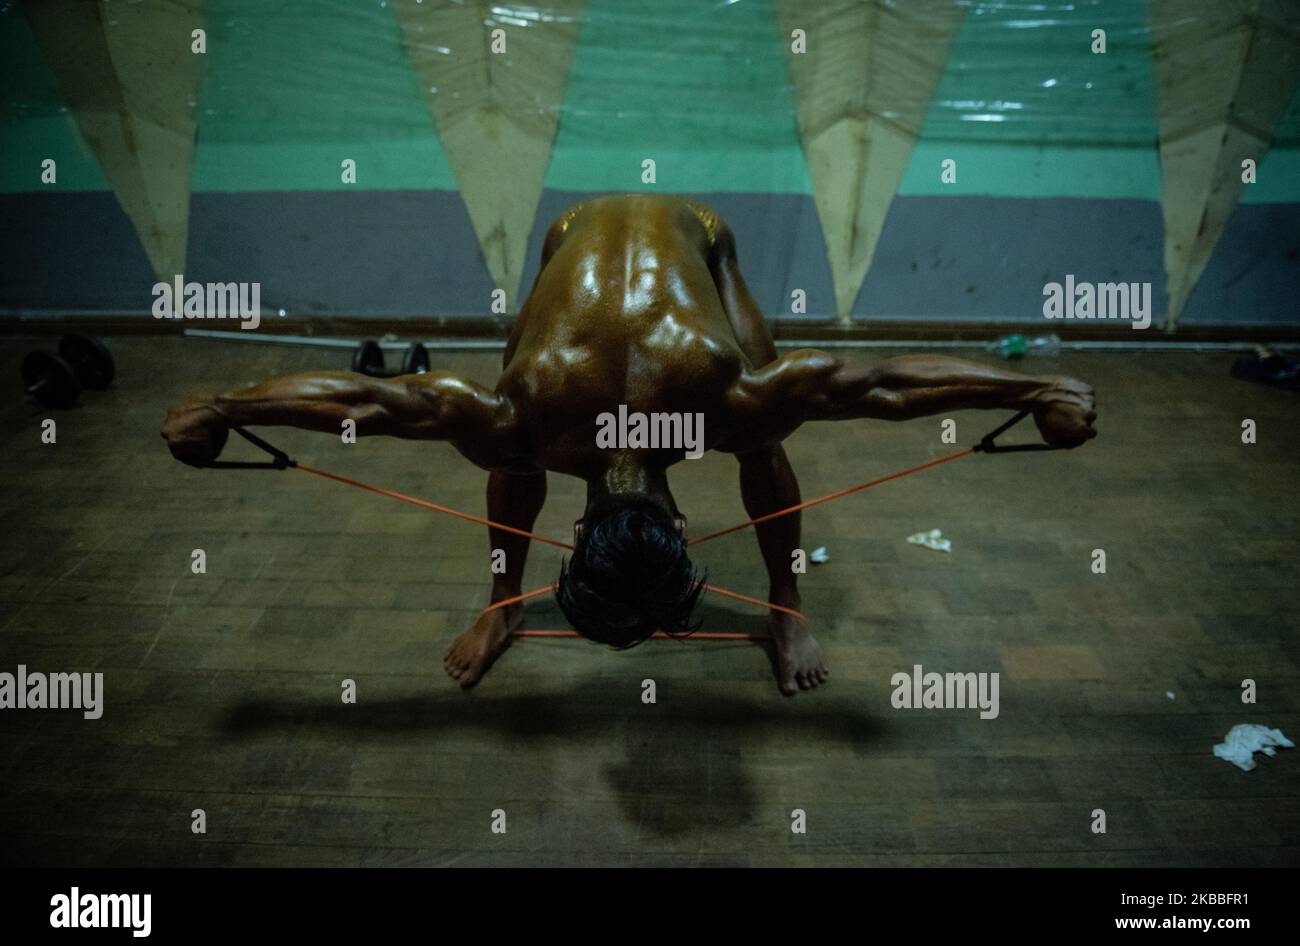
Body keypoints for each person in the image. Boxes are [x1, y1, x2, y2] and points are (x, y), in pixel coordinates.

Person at [163, 194, 1096, 695]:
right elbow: (369, 399)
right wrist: (226, 405)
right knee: (520, 440)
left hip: (700, 236)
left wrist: (233, 401)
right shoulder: (539, 417)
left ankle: (784, 598)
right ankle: (505, 603)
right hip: (567, 235)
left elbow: (880, 382)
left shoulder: (718, 397)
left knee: (756, 436)